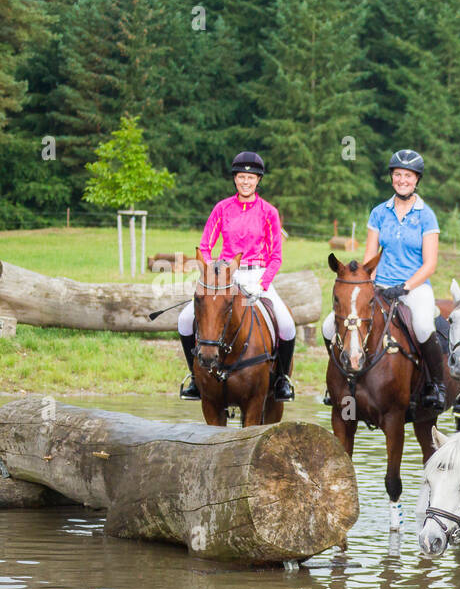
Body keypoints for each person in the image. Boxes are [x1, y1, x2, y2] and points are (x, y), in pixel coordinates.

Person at [321, 149, 446, 411]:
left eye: (408, 176)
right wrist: (370, 285)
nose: (403, 180)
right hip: (380, 286)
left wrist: (405, 287)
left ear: (416, 180)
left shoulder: (427, 215)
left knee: (423, 326)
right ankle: (338, 378)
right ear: (391, 178)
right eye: (398, 174)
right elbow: (370, 257)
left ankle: (436, 385)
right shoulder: (379, 212)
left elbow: (430, 263)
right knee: (328, 327)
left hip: (415, 287)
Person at [181, 151, 295, 401]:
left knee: (287, 325)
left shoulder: (269, 212)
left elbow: (276, 256)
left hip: (257, 276)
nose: (246, 181)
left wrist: (263, 284)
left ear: (258, 181)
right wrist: (212, 274)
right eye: (241, 177)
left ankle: (282, 381)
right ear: (235, 179)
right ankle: (195, 378)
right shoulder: (221, 208)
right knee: (185, 318)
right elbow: (204, 247)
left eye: (251, 178)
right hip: (225, 277)